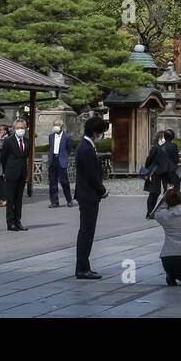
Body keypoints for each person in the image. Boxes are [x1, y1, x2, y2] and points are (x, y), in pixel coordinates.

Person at [74, 115, 108, 279]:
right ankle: (81, 268)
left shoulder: (86, 145)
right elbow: (91, 175)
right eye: (101, 132)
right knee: (87, 231)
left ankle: (84, 265)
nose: (101, 136)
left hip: (87, 193)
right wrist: (102, 190)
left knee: (87, 231)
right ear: (96, 132)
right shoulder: (86, 148)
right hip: (88, 194)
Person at [1, 118, 31, 232]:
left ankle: (18, 221)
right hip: (11, 173)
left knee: (19, 200)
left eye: (22, 128)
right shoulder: (8, 141)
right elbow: (3, 158)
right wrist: (6, 171)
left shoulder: (27, 141)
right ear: (13, 129)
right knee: (11, 199)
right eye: (18, 128)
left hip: (22, 174)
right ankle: (10, 222)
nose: (20, 130)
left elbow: (26, 158)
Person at [143, 129, 180, 218]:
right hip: (168, 171)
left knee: (153, 193)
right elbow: (176, 160)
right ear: (173, 137)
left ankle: (149, 212)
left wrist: (147, 168)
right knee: (172, 191)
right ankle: (171, 210)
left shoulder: (156, 147)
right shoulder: (173, 146)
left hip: (155, 171)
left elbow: (149, 159)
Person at [47, 118, 75, 208]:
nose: (56, 127)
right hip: (53, 160)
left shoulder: (67, 137)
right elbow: (50, 147)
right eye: (54, 125)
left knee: (64, 181)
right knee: (52, 182)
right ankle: (54, 202)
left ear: (62, 126)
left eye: (58, 125)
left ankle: (69, 200)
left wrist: (64, 157)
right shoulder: (51, 136)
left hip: (61, 160)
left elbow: (69, 149)